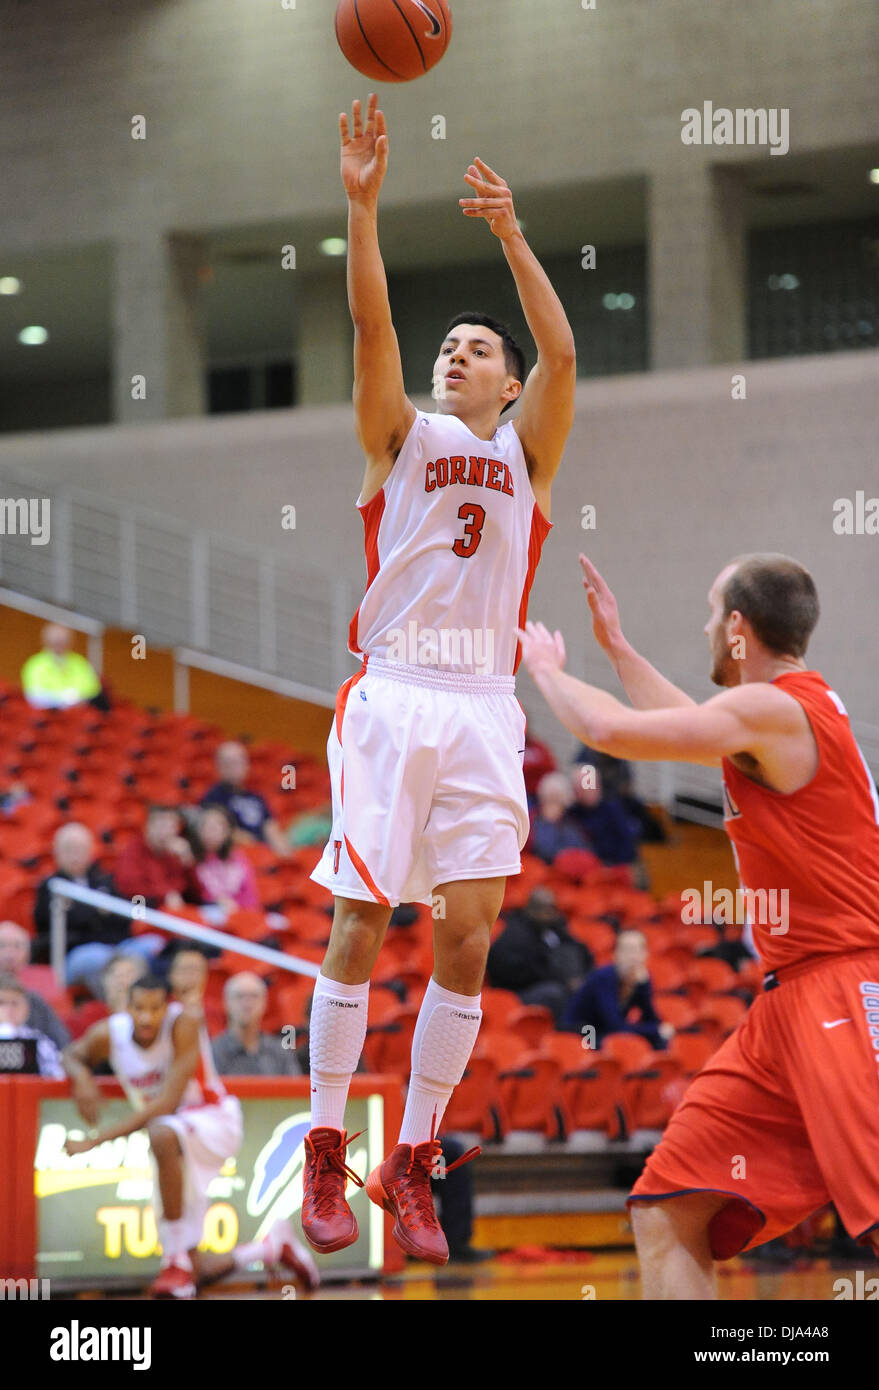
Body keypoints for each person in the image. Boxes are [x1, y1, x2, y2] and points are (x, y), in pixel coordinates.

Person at [300, 95, 576, 1267]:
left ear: (507, 387)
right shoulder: (399, 438)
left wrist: (514, 235)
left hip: (481, 709)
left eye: (478, 352)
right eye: (449, 347)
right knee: (361, 921)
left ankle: (413, 1158)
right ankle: (325, 1140)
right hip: (396, 692)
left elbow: (563, 350)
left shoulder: (529, 451)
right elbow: (371, 331)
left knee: (467, 936)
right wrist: (361, 207)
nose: (456, 356)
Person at [518, 550, 879, 1298]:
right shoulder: (770, 713)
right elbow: (686, 720)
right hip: (785, 1005)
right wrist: (617, 649)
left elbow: (612, 732)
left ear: (738, 628)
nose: (706, 625)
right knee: (667, 1208)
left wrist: (544, 668)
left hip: (842, 986)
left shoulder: (779, 709)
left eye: (713, 612)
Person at [61, 973, 317, 1297]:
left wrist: (96, 1140)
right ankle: (271, 1248)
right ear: (127, 1007)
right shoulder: (110, 1034)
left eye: (155, 1009)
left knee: (161, 1133)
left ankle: (175, 1262)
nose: (146, 1017)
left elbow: (167, 1104)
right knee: (199, 1272)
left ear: (165, 1008)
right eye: (139, 1008)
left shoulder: (184, 1023)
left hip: (213, 1120)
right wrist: (82, 1078)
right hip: (175, 1137)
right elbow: (71, 1054)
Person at [33, 822, 161, 988]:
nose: (75, 855)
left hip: (118, 945)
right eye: (68, 849)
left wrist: (97, 912)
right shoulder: (51, 886)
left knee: (154, 944)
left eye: (80, 849)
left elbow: (124, 915)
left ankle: (145, 999)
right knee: (99, 959)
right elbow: (49, 920)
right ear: (56, 853)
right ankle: (118, 1003)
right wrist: (97, 911)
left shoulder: (105, 880)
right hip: (77, 952)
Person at [487, 886, 593, 1021]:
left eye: (553, 909)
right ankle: (567, 1030)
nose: (551, 914)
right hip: (519, 992)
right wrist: (564, 980)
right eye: (545, 909)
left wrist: (578, 977)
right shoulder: (515, 935)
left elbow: (578, 950)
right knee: (555, 993)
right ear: (530, 910)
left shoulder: (555, 928)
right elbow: (510, 970)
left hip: (559, 981)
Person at [561, 929, 673, 1049]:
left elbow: (651, 1019)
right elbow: (615, 1026)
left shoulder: (642, 979)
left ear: (646, 954)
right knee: (617, 1045)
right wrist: (655, 1030)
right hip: (582, 1033)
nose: (633, 956)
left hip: (606, 1033)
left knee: (659, 1042)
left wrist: (643, 986)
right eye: (627, 950)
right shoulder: (604, 977)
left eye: (638, 950)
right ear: (615, 954)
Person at [201, 743, 289, 856]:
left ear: (247, 765)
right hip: (237, 856)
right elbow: (218, 832)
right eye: (229, 762)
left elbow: (271, 829)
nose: (234, 767)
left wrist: (284, 854)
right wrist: (254, 847)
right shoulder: (212, 798)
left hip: (264, 856)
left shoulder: (257, 797)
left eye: (238, 762)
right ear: (218, 767)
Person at [113, 805, 204, 912]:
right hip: (143, 911)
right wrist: (164, 895)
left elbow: (196, 893)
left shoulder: (176, 854)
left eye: (171, 826)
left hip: (175, 913)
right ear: (148, 826)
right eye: (161, 825)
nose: (165, 832)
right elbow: (129, 887)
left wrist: (188, 862)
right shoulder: (134, 850)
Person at [212, 971, 301, 1076]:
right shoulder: (212, 1053)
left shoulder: (280, 1052)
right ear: (226, 1003)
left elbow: (294, 1090)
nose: (247, 1004)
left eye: (254, 996)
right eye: (239, 996)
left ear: (265, 1003)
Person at [0, 920, 70, 1049]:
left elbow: (62, 1042)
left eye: (17, 946)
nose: (9, 954)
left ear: (28, 954)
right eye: (2, 945)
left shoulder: (36, 1001)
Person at [193, 805, 260, 913]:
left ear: (228, 831)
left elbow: (250, 897)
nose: (211, 830)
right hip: (204, 915)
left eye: (217, 826)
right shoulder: (190, 857)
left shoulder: (239, 858)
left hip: (238, 914)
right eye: (206, 825)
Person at [20, 623, 103, 710]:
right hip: (49, 714)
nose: (59, 642)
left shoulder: (79, 662)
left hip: (79, 711)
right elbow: (35, 696)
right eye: (56, 639)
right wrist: (63, 699)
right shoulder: (35, 664)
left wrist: (75, 698)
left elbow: (92, 689)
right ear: (46, 640)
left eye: (63, 639)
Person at [0, 974, 65, 1076]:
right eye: (2, 1003)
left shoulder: (40, 1042)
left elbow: (56, 1076)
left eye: (15, 1003)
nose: (9, 1009)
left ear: (26, 1007)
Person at [527, 770, 592, 863]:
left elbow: (584, 850)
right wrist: (549, 823)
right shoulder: (533, 821)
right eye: (549, 800)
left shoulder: (570, 823)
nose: (553, 806)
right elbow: (545, 851)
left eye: (557, 800)